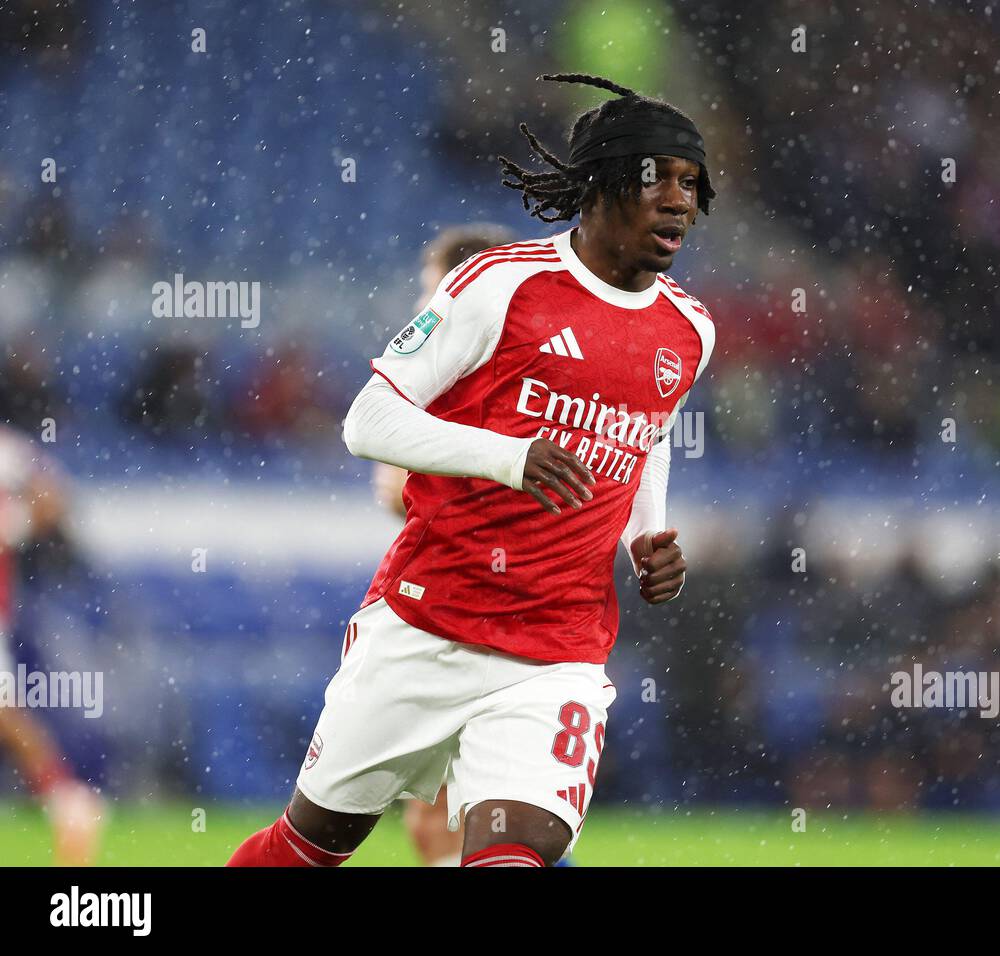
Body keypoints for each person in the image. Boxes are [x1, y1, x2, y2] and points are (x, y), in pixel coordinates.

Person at [228, 72, 715, 867]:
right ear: (598, 188)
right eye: (652, 179)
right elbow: (366, 420)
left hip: (558, 651)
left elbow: (649, 430)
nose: (678, 201)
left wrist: (649, 531)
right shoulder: (502, 285)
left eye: (690, 184)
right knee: (310, 847)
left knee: (513, 855)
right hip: (427, 623)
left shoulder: (690, 329)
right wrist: (509, 457)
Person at [374, 224, 516, 868]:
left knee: (453, 820)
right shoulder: (506, 372)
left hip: (481, 614)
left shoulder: (483, 377)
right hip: (458, 604)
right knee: (473, 817)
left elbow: (394, 485)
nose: (423, 308)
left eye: (433, 291)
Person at [0, 425, 104, 865]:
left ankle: (65, 797)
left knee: (6, 710)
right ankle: (66, 797)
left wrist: (16, 520)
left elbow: (52, 501)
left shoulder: (10, 452)